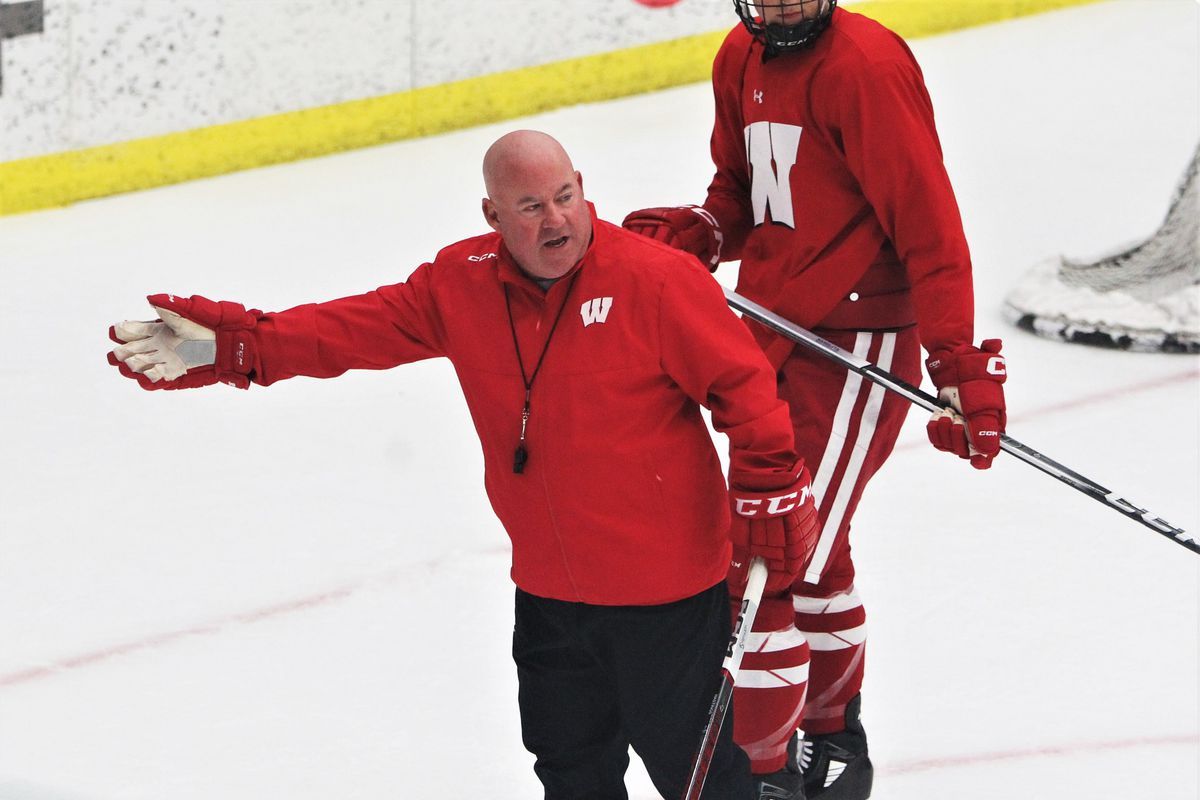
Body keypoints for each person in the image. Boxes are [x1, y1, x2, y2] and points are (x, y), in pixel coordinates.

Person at [107, 129, 825, 799]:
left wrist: (768, 487)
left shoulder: (657, 281)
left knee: (698, 778)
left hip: (662, 597)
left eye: (565, 198)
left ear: (583, 189)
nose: (555, 221)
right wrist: (245, 346)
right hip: (549, 591)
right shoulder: (462, 282)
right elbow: (354, 328)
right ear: (492, 215)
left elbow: (746, 392)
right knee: (570, 768)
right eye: (530, 207)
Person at [622, 2, 1009, 798]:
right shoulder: (740, 54)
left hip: (856, 346)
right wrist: (705, 230)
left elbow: (930, 226)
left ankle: (762, 776)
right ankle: (833, 746)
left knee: (763, 559)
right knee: (812, 554)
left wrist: (957, 363)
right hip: (773, 331)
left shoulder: (863, 67)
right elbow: (741, 190)